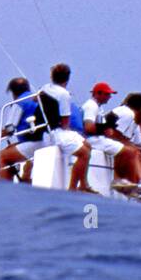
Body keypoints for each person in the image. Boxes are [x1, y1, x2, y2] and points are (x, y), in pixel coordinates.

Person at [40, 63, 97, 192]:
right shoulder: (64, 94)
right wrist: (70, 131)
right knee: (84, 153)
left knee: (87, 145)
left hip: (51, 129)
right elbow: (65, 121)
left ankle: (84, 184)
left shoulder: (45, 88)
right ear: (67, 78)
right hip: (57, 132)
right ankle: (72, 188)